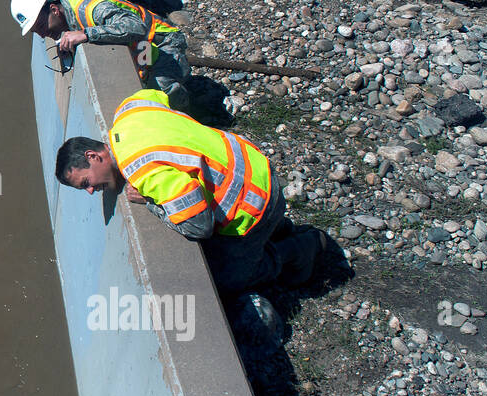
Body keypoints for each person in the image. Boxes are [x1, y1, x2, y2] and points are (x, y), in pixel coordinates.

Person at [53, 89, 326, 295]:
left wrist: (152, 203)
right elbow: (160, 94)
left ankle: (302, 249)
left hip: (253, 204)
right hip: (253, 163)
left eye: (85, 182)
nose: (90, 191)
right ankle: (278, 229)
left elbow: (199, 227)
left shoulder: (143, 170)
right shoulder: (129, 111)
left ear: (93, 155)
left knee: (224, 280)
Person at [10, 0, 190, 107]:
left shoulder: (92, 8)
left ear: (55, 10)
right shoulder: (65, 10)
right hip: (145, 48)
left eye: (41, 27)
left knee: (160, 95)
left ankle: (191, 113)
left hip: (162, 42)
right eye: (37, 31)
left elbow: (136, 28)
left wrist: (86, 34)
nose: (42, 34)